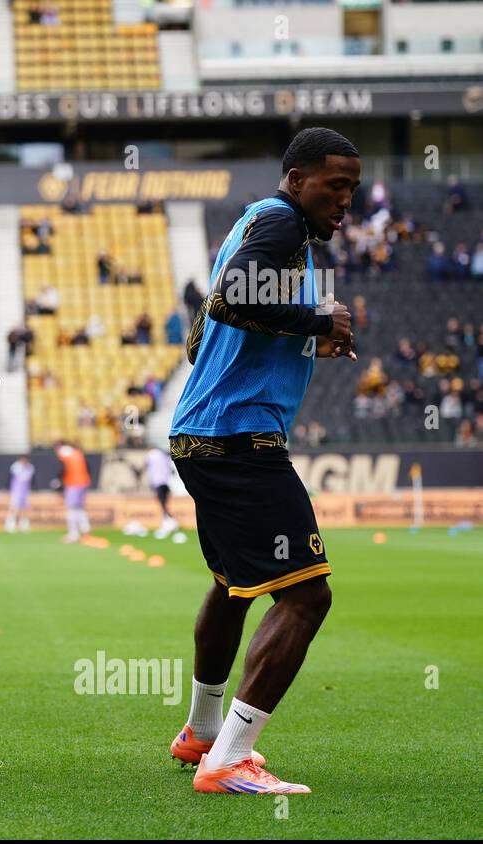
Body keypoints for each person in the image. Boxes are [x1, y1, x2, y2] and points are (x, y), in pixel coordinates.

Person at [168, 127, 360, 795]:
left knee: (232, 586)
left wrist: (296, 338)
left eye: (353, 190)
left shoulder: (254, 223)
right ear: (297, 177)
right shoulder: (281, 227)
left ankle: (200, 734)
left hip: (201, 434)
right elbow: (232, 304)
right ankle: (228, 758)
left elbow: (201, 334)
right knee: (306, 595)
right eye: (335, 186)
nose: (345, 202)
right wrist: (316, 322)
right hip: (238, 440)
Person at [55, 441, 90, 542]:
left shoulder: (64, 452)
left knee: (71, 508)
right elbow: (87, 467)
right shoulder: (77, 452)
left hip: (73, 483)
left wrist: (59, 482)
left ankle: (73, 534)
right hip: (83, 482)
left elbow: (62, 468)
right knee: (79, 508)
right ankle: (86, 530)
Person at [146, 445, 178, 538]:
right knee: (164, 502)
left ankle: (169, 521)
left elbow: (149, 469)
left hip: (158, 482)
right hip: (166, 482)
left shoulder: (151, 455)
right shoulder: (163, 455)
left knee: (162, 503)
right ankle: (168, 521)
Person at [5, 455, 34, 533]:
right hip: (16, 491)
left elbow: (28, 478)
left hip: (25, 491)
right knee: (14, 507)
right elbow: (14, 478)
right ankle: (11, 524)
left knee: (25, 508)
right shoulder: (16, 466)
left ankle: (23, 524)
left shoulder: (30, 467)